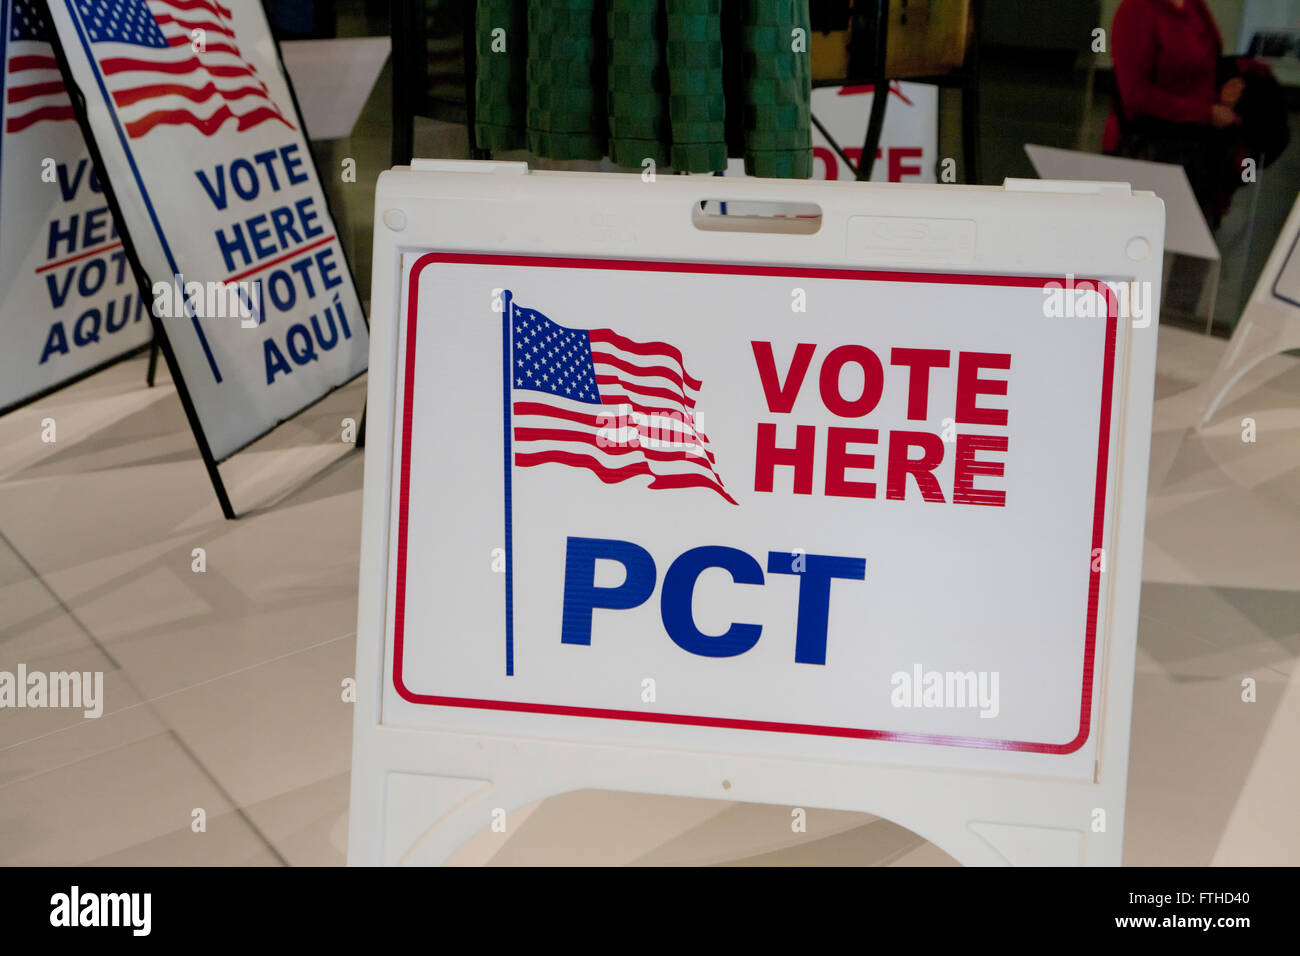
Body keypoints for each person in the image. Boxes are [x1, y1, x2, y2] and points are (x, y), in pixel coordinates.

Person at [1103, 0, 1245, 230]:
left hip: (1198, 149)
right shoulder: (1138, 8)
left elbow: (1200, 73)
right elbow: (1135, 95)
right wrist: (1205, 113)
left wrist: (1222, 93)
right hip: (1155, 148)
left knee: (1197, 242)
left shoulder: (1194, 7)